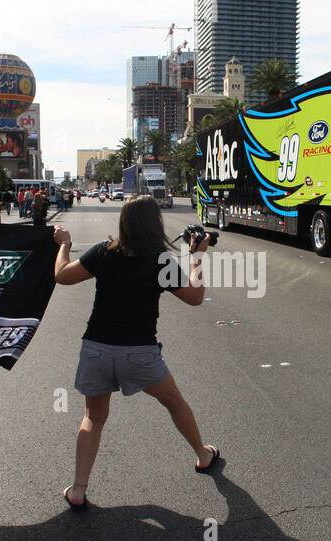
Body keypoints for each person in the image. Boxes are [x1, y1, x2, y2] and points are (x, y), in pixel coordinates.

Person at [51, 196, 217, 510]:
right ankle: (203, 455)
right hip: (140, 353)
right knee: (174, 402)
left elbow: (61, 275)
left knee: (93, 418)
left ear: (124, 222)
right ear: (156, 224)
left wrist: (65, 244)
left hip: (96, 349)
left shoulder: (103, 251)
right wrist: (198, 258)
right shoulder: (160, 260)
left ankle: (78, 488)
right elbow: (195, 298)